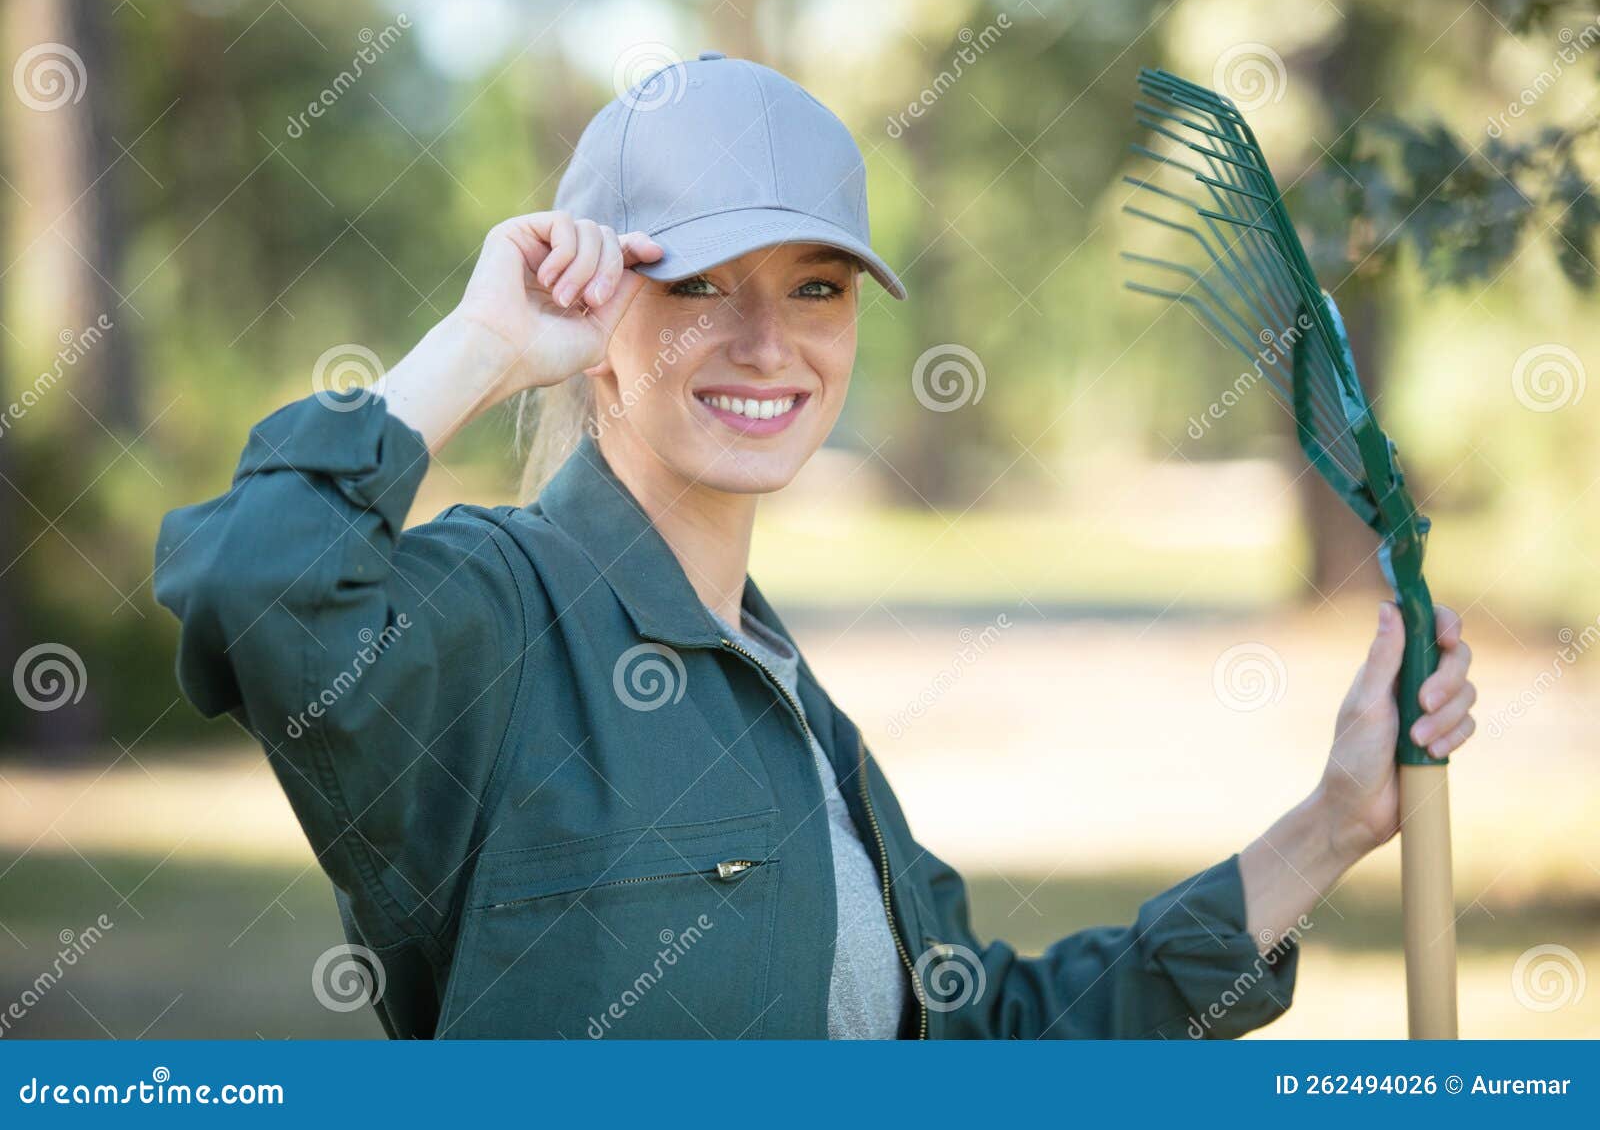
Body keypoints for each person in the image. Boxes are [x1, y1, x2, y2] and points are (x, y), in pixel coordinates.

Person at [153, 53, 1477, 1039]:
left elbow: (980, 1045)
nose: (767, 342)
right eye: (699, 284)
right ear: (596, 316)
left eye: (816, 287)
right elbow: (252, 585)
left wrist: (1330, 825)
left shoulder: (796, 709)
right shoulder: (499, 619)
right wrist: (480, 349)